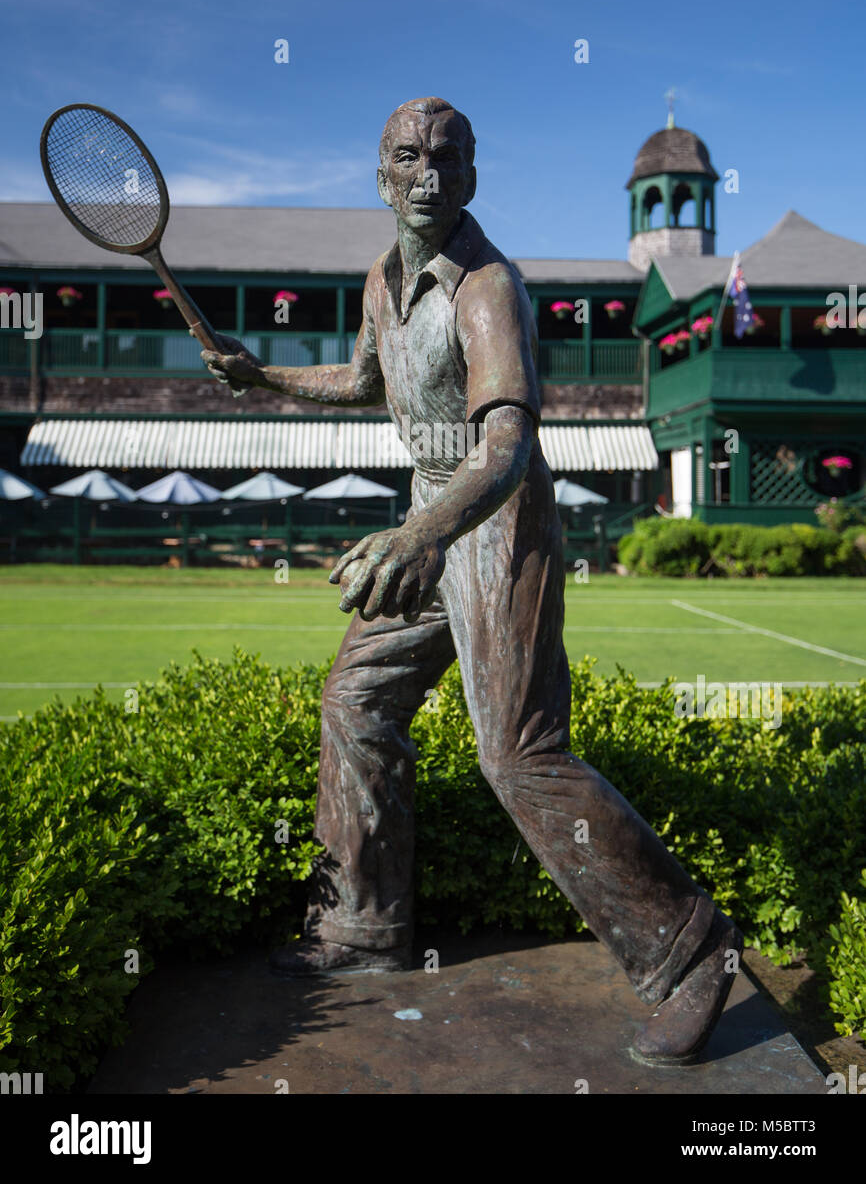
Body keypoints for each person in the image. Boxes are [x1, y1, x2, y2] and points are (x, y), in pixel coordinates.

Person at [202, 97, 743, 1066]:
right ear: (380, 174)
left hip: (495, 524)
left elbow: (504, 447)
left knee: (518, 753)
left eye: (446, 159)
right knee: (356, 700)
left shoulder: (487, 286)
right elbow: (365, 379)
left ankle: (691, 952)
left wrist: (420, 535)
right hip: (432, 523)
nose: (427, 174)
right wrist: (264, 377)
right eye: (406, 157)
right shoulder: (383, 278)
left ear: (472, 178)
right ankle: (362, 929)